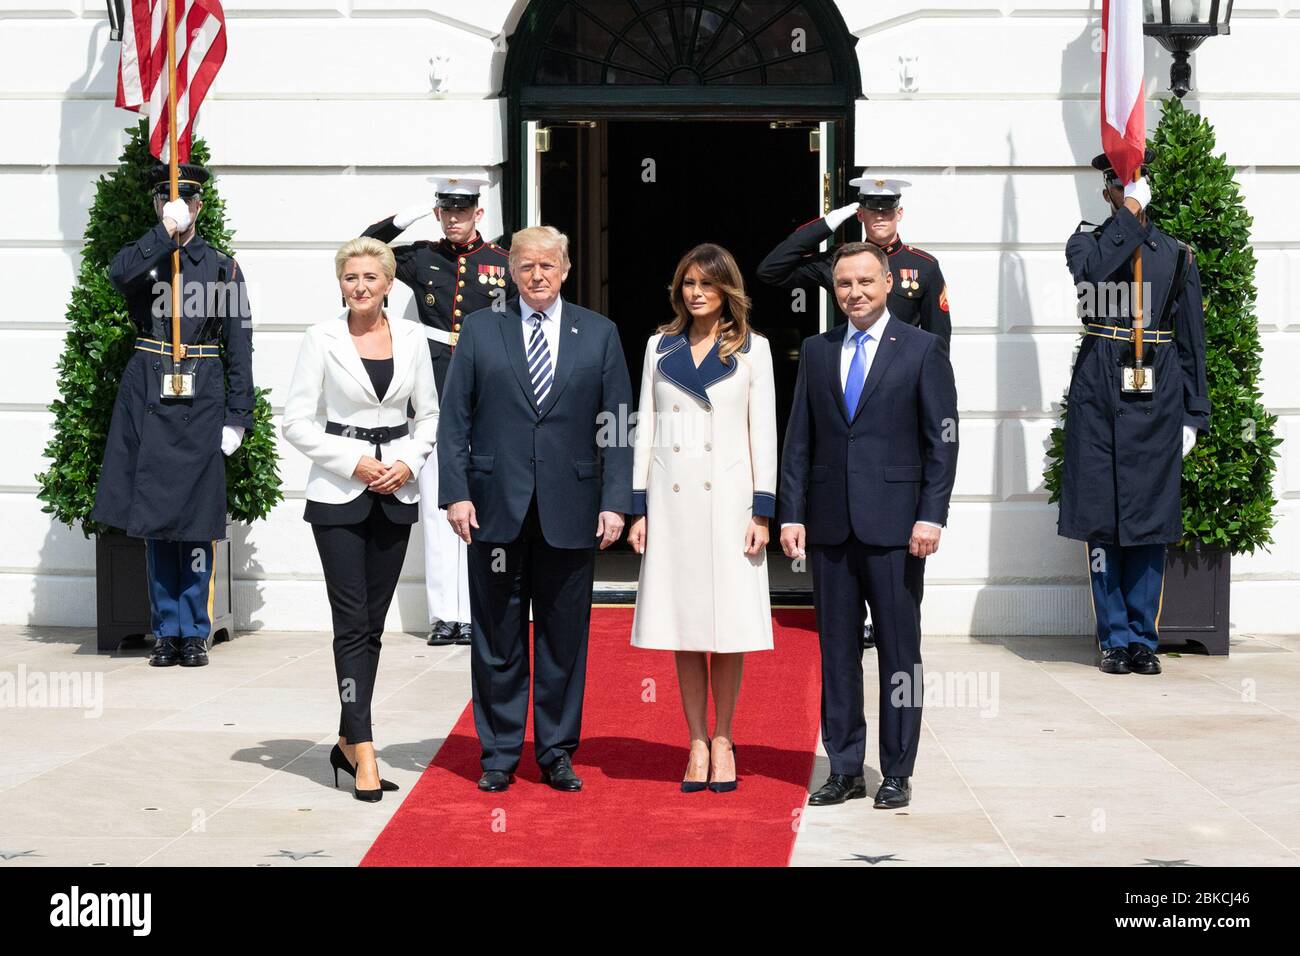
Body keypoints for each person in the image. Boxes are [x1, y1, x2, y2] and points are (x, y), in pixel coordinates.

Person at [438, 225, 633, 794]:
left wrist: (617, 502)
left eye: (548, 265)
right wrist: (456, 492)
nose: (538, 275)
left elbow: (618, 426)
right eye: (526, 266)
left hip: (572, 509)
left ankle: (555, 751)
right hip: (495, 508)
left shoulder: (598, 334)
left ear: (566, 270)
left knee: (563, 639)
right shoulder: (480, 329)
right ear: (511, 271)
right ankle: (498, 752)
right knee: (497, 636)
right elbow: (456, 419)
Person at [779, 242, 958, 810]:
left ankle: (898, 770)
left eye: (864, 282)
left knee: (900, 653)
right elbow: (798, 440)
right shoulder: (816, 349)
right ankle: (845, 767)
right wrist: (792, 513)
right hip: (831, 527)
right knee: (836, 653)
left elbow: (942, 441)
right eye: (842, 285)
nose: (853, 293)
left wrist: (931, 515)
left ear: (886, 284)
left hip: (898, 528)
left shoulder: (923, 349)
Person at [759, 176, 952, 651]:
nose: (881, 217)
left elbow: (940, 344)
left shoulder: (922, 268)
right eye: (871, 210)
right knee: (837, 644)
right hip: (844, 410)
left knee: (900, 636)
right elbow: (772, 270)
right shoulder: (839, 263)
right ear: (862, 213)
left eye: (888, 210)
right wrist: (832, 219)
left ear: (899, 214)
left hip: (896, 424)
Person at [282, 237, 439, 801]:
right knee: (351, 624)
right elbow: (296, 422)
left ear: (389, 283)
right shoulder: (320, 338)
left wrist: (405, 462)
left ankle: (348, 740)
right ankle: (365, 748)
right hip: (339, 495)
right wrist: (355, 462)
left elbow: (430, 415)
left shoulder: (414, 337)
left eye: (372, 277)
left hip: (396, 491)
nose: (361, 286)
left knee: (373, 625)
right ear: (340, 283)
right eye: (351, 277)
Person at [627, 243, 778, 793]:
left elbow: (763, 432)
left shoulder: (753, 349)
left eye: (707, 285)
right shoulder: (657, 346)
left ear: (726, 291)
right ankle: (694, 740)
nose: (696, 293)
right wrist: (639, 506)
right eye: (688, 283)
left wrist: (763, 510)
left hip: (729, 502)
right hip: (672, 503)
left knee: (729, 626)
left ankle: (724, 737)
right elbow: (645, 428)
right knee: (685, 626)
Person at [93, 163, 254, 669]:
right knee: (158, 518)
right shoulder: (146, 258)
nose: (179, 207)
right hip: (151, 386)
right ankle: (166, 629)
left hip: (200, 393)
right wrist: (162, 235)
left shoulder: (223, 268)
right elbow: (117, 274)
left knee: (196, 519)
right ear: (158, 207)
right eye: (168, 201)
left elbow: (240, 349)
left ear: (200, 206)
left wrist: (238, 416)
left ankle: (195, 629)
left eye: (186, 201)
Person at [1060, 150, 1210, 676]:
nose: (1127, 194)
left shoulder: (1177, 253)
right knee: (1101, 519)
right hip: (1100, 387)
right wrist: (1127, 218)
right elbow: (1094, 276)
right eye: (1119, 187)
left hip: (1157, 386)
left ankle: (1143, 637)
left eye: (1135, 186)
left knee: (1150, 519)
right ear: (1108, 193)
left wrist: (1195, 411)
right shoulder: (1086, 242)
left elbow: (1192, 337)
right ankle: (1113, 638)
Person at [361, 178, 515, 647]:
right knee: (435, 503)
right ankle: (443, 614)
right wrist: (403, 218)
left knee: (476, 506)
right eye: (446, 211)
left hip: (483, 389)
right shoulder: (421, 256)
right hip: (431, 386)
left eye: (462, 211)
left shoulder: (500, 263)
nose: (454, 219)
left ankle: (473, 611)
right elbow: (366, 249)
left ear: (478, 214)